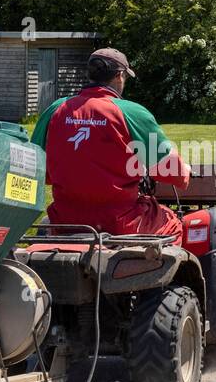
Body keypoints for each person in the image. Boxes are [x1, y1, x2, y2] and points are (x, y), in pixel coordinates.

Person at [31, 47, 190, 238]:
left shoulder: (55, 109)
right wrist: (185, 171)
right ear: (120, 75)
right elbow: (172, 171)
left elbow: (37, 168)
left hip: (64, 220)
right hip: (120, 222)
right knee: (173, 223)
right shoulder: (131, 112)